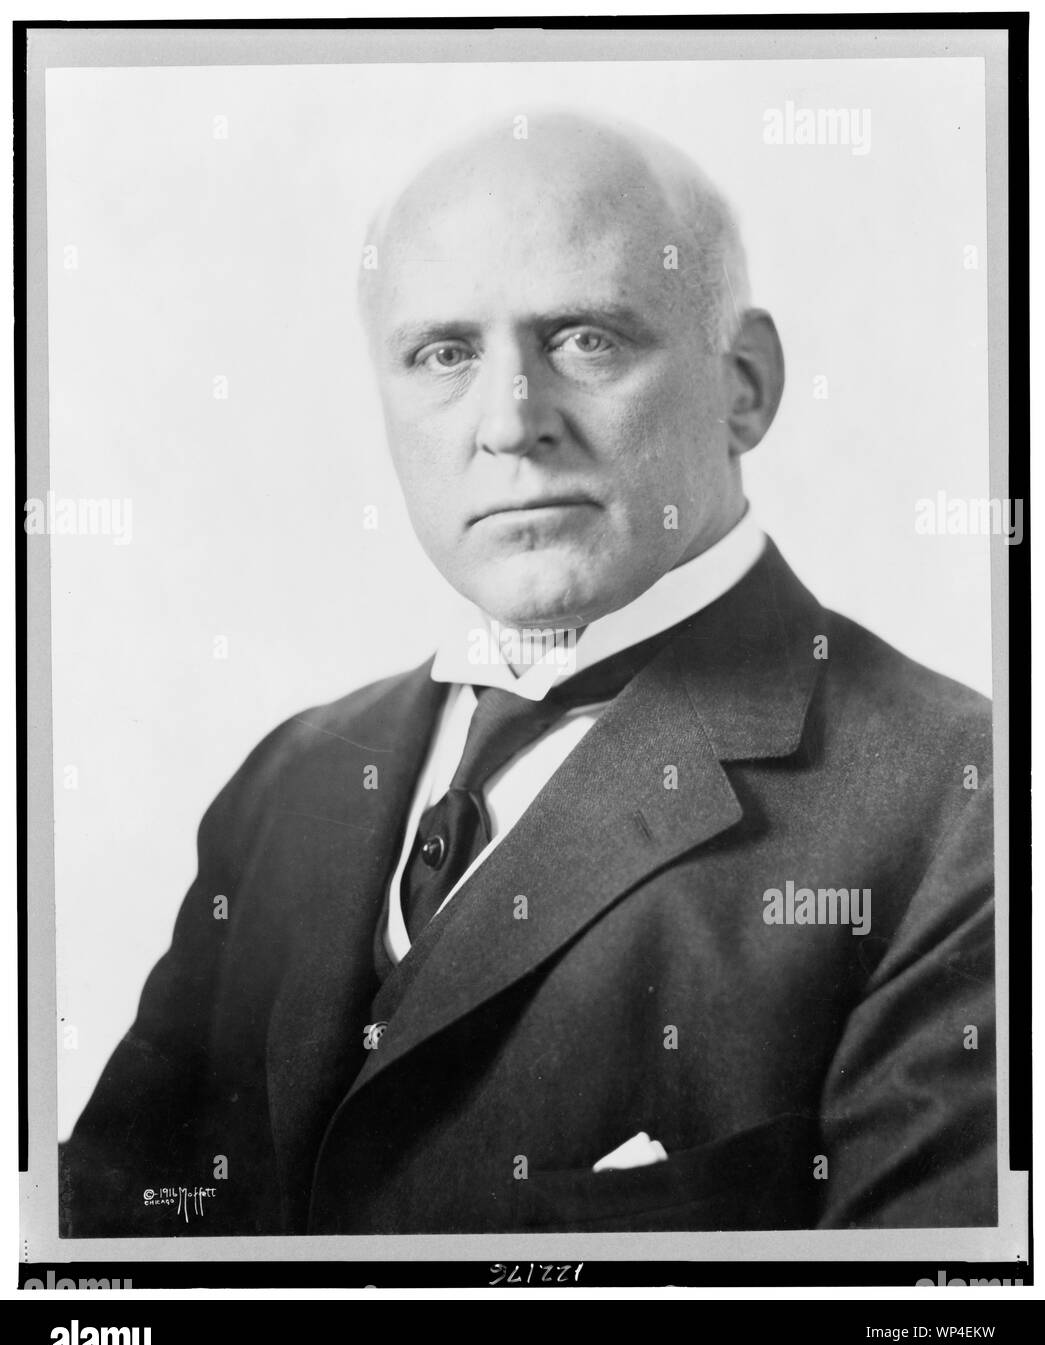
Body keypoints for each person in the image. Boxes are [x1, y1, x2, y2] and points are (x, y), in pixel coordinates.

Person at [61, 110, 995, 1236]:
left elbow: (928, 1336)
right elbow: (100, 1262)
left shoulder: (969, 807)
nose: (508, 422)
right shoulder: (294, 779)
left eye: (585, 339)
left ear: (744, 385)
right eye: (443, 354)